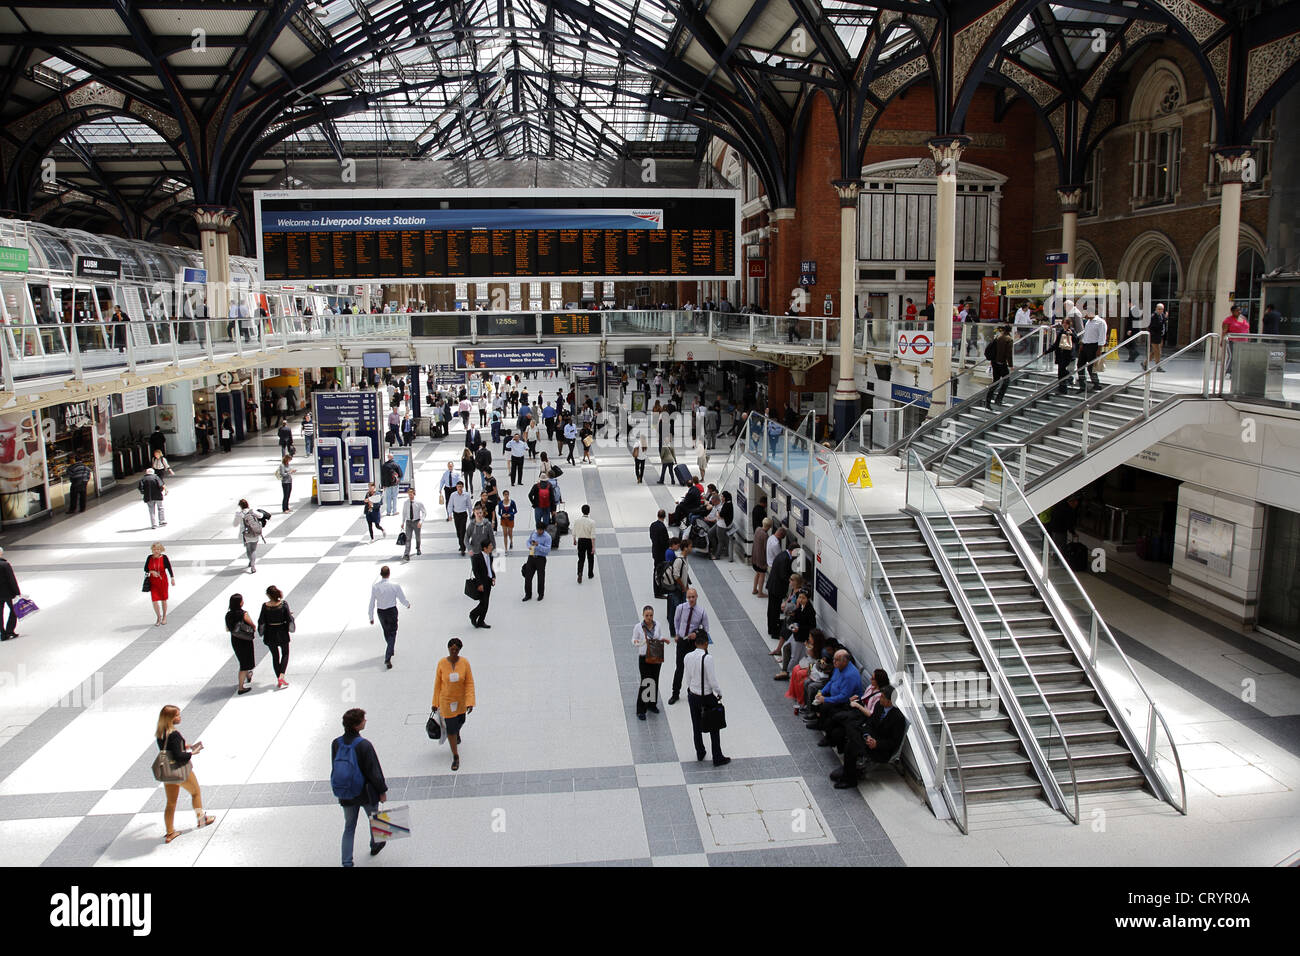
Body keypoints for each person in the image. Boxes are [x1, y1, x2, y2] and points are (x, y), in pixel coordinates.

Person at [331, 708, 388, 866]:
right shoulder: (364, 745)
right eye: (363, 719)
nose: (366, 721)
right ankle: (376, 844)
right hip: (366, 793)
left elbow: (335, 767)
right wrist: (382, 791)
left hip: (346, 794)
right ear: (357, 725)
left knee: (349, 827)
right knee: (375, 819)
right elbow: (374, 771)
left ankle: (347, 862)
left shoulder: (336, 743)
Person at [155, 705, 215, 843]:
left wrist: (184, 746)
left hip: (168, 773)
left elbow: (169, 750)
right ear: (170, 718)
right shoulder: (174, 735)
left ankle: (170, 832)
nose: (179, 717)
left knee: (171, 803)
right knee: (196, 793)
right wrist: (191, 752)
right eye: (177, 715)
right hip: (181, 771)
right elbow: (178, 756)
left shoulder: (161, 732)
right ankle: (201, 819)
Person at [833, 684, 905, 789]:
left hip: (881, 750)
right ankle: (848, 771)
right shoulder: (879, 706)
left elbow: (894, 742)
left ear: (890, 701)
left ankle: (850, 779)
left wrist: (877, 744)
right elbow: (870, 723)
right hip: (870, 739)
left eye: (883, 697)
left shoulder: (898, 718)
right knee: (851, 736)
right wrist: (867, 735)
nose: (880, 699)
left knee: (851, 747)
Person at [683, 633, 729, 766]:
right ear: (706, 644)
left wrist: (690, 689)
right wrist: (719, 693)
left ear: (695, 643)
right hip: (707, 696)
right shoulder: (707, 658)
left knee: (696, 724)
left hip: (693, 695)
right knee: (714, 726)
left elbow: (687, 677)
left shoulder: (687, 657)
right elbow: (712, 680)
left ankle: (700, 751)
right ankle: (717, 756)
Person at [432, 639, 475, 771]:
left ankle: (457, 732)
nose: (454, 652)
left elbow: (469, 683)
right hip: (446, 701)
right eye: (452, 649)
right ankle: (455, 756)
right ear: (448, 649)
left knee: (461, 720)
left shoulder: (464, 663)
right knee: (451, 729)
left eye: (457, 650)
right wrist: (435, 702)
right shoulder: (441, 663)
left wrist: (470, 701)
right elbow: (438, 684)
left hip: (460, 701)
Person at [803, 650, 863, 733]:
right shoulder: (838, 667)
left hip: (846, 702)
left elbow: (844, 697)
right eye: (833, 659)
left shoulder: (850, 675)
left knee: (826, 705)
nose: (834, 661)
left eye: (837, 660)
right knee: (816, 693)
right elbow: (831, 681)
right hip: (835, 694)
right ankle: (818, 720)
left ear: (845, 661)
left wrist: (826, 699)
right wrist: (821, 692)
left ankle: (824, 728)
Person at [668, 585, 709, 705]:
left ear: (696, 597)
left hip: (693, 643)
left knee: (692, 668)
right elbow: (675, 620)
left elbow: (705, 629)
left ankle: (691, 691)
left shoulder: (701, 612)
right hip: (682, 641)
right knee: (679, 667)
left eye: (693, 597)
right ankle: (675, 693)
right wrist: (676, 633)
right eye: (689, 597)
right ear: (686, 597)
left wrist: (696, 634)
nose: (691, 599)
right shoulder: (681, 608)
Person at [368, 565, 410, 669]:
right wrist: (407, 604)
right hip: (392, 611)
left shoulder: (375, 587)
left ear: (381, 574)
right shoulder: (395, 585)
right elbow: (401, 598)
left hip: (381, 612)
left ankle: (390, 648)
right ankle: (388, 657)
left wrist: (371, 617)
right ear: (389, 574)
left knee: (386, 631)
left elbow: (372, 602)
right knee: (392, 632)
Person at [258, 584, 294, 689]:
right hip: (281, 631)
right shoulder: (283, 604)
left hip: (270, 633)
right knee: (285, 653)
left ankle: (279, 677)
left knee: (275, 656)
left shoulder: (265, 606)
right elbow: (288, 618)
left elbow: (261, 620)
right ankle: (281, 675)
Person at [632, 605, 665, 720]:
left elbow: (659, 636)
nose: (649, 618)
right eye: (647, 615)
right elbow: (634, 640)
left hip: (655, 655)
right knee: (646, 681)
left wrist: (662, 639)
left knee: (655, 680)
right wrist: (638, 641)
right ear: (643, 615)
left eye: (651, 615)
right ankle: (641, 709)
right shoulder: (638, 627)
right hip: (644, 657)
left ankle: (652, 704)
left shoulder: (657, 625)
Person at [225, 593, 256, 694]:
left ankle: (248, 675)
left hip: (235, 640)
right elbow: (252, 625)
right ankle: (241, 687)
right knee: (244, 664)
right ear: (239, 603)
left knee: (243, 660)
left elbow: (228, 628)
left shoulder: (228, 615)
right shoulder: (244, 614)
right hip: (245, 640)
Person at [766, 533, 794, 641]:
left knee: (771, 609)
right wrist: (791, 579)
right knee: (775, 610)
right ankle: (774, 632)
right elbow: (783, 575)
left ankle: (771, 628)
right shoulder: (785, 559)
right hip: (776, 588)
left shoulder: (783, 555)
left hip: (773, 586)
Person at [144, 542, 175, 626]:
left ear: (161, 550)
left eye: (158, 549)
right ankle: (158, 617)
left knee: (163, 599)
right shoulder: (149, 557)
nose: (156, 551)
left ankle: (164, 616)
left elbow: (169, 568)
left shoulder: (164, 558)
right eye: (154, 549)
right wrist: (152, 571)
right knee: (154, 600)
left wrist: (172, 578)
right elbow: (146, 568)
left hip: (162, 580)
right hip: (153, 581)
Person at [522, 521, 551, 601]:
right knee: (528, 577)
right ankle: (528, 594)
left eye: (540, 530)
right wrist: (529, 546)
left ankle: (540, 594)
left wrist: (538, 546)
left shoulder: (547, 537)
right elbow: (528, 541)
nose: (538, 532)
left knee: (540, 577)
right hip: (531, 557)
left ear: (543, 530)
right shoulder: (533, 533)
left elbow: (547, 550)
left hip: (541, 558)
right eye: (538, 530)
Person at [1078, 311, 1107, 392]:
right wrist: (1082, 344)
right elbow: (1086, 334)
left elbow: (1102, 336)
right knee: (1080, 365)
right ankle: (1082, 385)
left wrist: (1099, 349)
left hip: (1094, 346)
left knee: (1091, 367)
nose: (1085, 315)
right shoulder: (1088, 322)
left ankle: (1096, 384)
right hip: (1085, 345)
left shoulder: (1100, 322)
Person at [469, 539, 495, 628]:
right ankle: (473, 614)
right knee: (484, 603)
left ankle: (480, 620)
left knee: (485, 603)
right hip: (482, 583)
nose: (492, 547)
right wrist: (479, 584)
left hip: (488, 581)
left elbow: (490, 567)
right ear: (485, 548)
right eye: (490, 546)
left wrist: (493, 576)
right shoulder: (477, 557)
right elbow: (476, 571)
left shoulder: (490, 556)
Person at [987, 325, 1014, 408]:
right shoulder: (1009, 339)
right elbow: (1009, 354)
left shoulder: (998, 337)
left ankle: (988, 399)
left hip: (994, 362)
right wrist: (1011, 365)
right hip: (1002, 363)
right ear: (1010, 331)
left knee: (995, 381)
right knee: (1006, 381)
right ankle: (999, 399)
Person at [1221, 304, 1250, 376]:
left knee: (1240, 357)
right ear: (1232, 312)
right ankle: (1228, 372)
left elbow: (1247, 329)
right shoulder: (1228, 320)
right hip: (1231, 341)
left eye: (1240, 310)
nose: (1239, 312)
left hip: (1243, 341)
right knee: (1232, 356)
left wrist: (1249, 338)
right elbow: (1224, 331)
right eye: (1237, 310)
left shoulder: (1243, 318)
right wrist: (1222, 340)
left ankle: (1238, 371)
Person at [1051, 314, 1076, 395]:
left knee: (1062, 370)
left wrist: (1071, 334)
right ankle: (1062, 388)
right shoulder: (1061, 332)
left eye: (1066, 323)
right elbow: (1056, 344)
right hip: (1060, 354)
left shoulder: (1071, 331)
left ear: (1069, 324)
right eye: (1063, 323)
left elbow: (1076, 340)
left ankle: (1066, 383)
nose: (1064, 325)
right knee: (1060, 372)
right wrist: (1047, 351)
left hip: (1067, 355)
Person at [0, 548, 21, 641]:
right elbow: (11, 580)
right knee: (14, 610)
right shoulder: (5, 565)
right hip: (8, 592)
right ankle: (10, 631)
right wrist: (17, 592)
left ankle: (3, 633)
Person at [400, 487, 426, 561]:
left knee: (418, 536)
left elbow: (424, 512)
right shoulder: (406, 503)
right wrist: (402, 522)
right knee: (408, 538)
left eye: (411, 494)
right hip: (408, 522)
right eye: (409, 494)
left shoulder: (418, 503)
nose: (410, 495)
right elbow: (404, 513)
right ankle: (406, 553)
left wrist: (421, 521)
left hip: (416, 521)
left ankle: (418, 548)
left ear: (414, 494)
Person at [752, 517, 771, 596]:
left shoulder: (757, 529)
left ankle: (754, 589)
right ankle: (760, 593)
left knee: (757, 573)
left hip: (754, 557)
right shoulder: (765, 535)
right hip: (760, 559)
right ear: (769, 527)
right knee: (762, 575)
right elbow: (765, 548)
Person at [1144, 303, 1166, 371]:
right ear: (1156, 309)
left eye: (1162, 309)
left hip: (1160, 336)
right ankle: (1158, 367)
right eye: (1159, 309)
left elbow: (1163, 325)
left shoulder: (1162, 315)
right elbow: (1155, 326)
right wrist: (1165, 319)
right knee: (1158, 352)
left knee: (1154, 352)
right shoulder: (1153, 316)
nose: (1161, 310)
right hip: (1154, 337)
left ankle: (1144, 363)